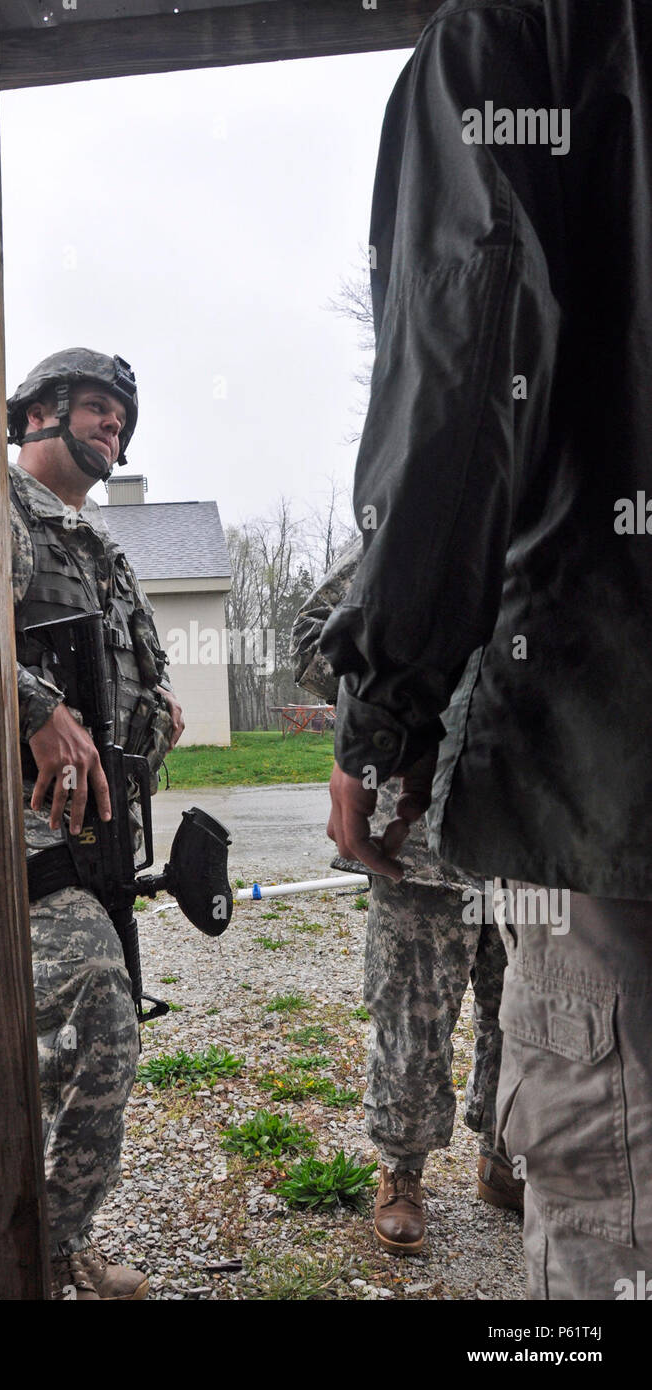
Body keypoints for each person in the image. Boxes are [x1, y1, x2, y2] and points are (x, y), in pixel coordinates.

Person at [321, 0, 652, 1300]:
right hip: (531, 808)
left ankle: (484, 1156)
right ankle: (403, 1166)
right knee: (422, 1003)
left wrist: (379, 721)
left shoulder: (517, 33)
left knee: (609, 1201)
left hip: (604, 772)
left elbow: (465, 347)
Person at [0, 348, 184, 1300]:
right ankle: (40, 1258)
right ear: (35, 420)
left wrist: (161, 708)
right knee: (100, 1017)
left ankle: (52, 1240)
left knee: (74, 1033)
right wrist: (31, 707)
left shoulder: (103, 547)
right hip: (9, 826)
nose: (113, 428)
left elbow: (132, 670)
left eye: (120, 418)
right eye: (96, 410)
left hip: (96, 830)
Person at [292, 544, 521, 1255]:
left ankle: (506, 1156)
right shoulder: (425, 522)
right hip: (413, 843)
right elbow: (313, 636)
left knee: (522, 1016)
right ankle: (401, 1171)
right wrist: (393, 711)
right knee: (410, 1016)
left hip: (529, 837)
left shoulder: (558, 528)